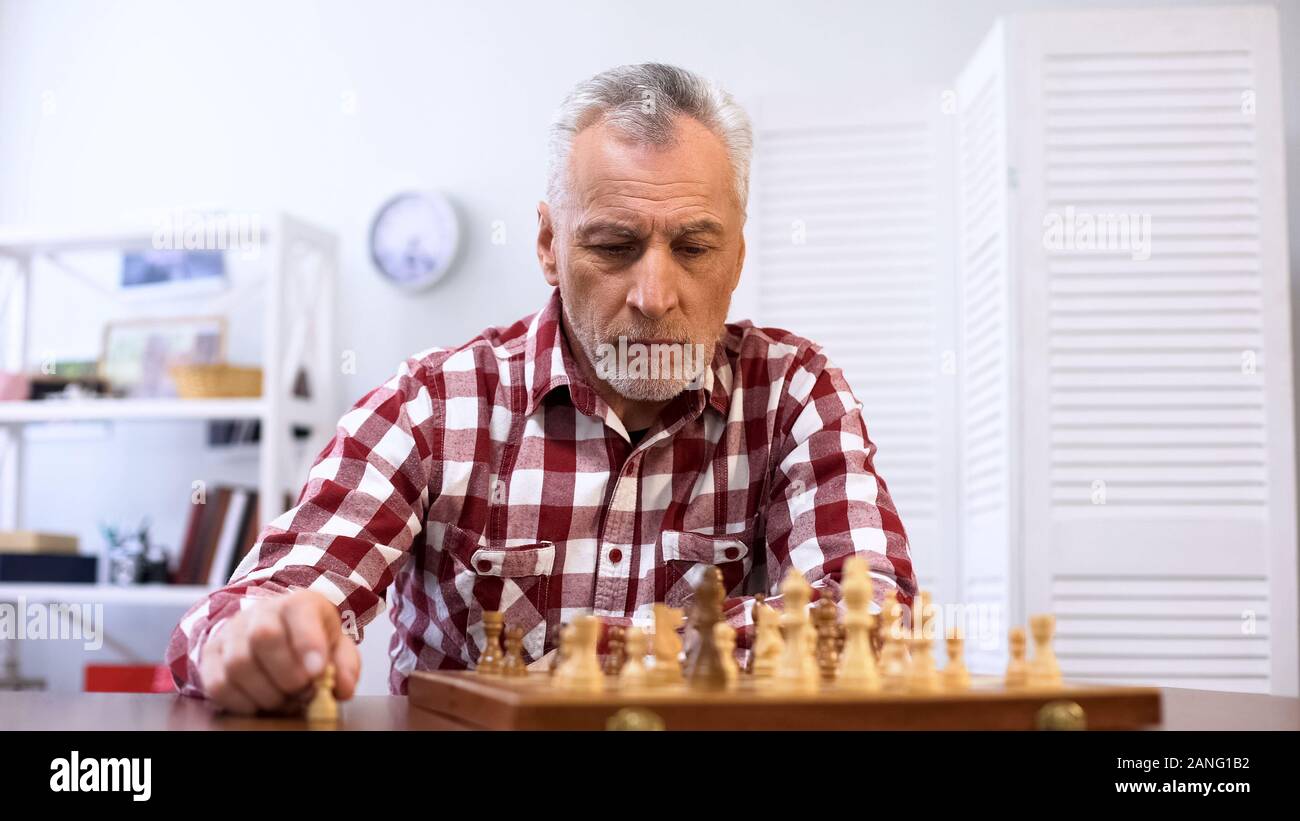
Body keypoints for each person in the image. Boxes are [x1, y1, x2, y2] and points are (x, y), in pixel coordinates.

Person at [166, 62, 917, 714]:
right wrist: (254, 638)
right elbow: (257, 600)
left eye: (694, 247)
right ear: (548, 246)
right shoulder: (433, 406)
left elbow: (874, 620)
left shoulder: (792, 393)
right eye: (614, 245)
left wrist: (626, 653)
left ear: (738, 254)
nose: (655, 294)